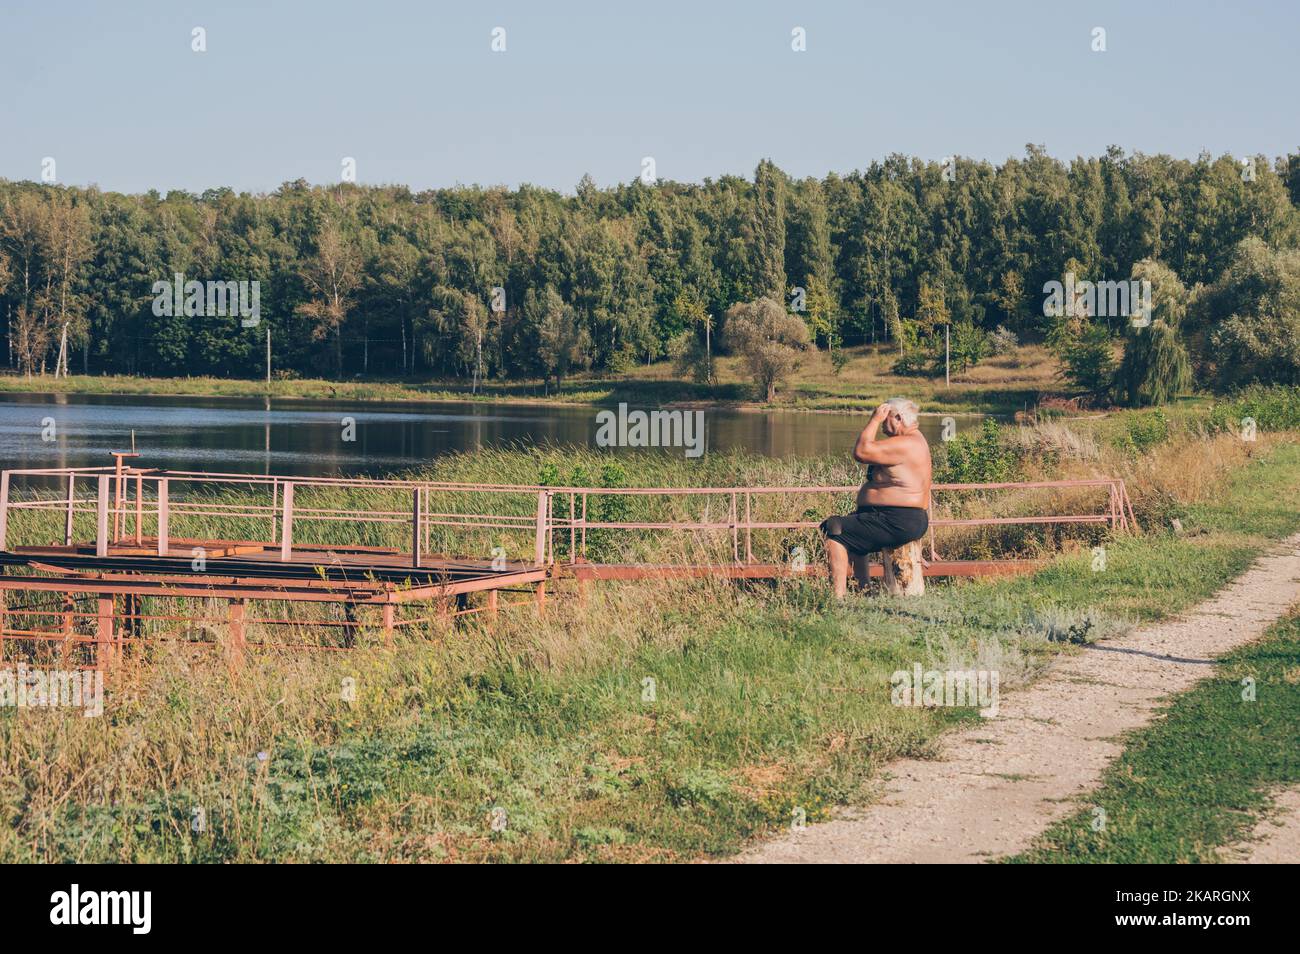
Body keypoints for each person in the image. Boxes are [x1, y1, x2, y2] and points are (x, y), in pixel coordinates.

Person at [819, 398, 932, 598]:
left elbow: (862, 451)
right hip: (897, 517)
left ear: (898, 418)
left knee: (834, 530)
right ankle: (865, 590)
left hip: (898, 519)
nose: (882, 424)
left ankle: (837, 598)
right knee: (853, 533)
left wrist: (873, 420)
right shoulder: (913, 440)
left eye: (885, 417)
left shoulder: (906, 443)